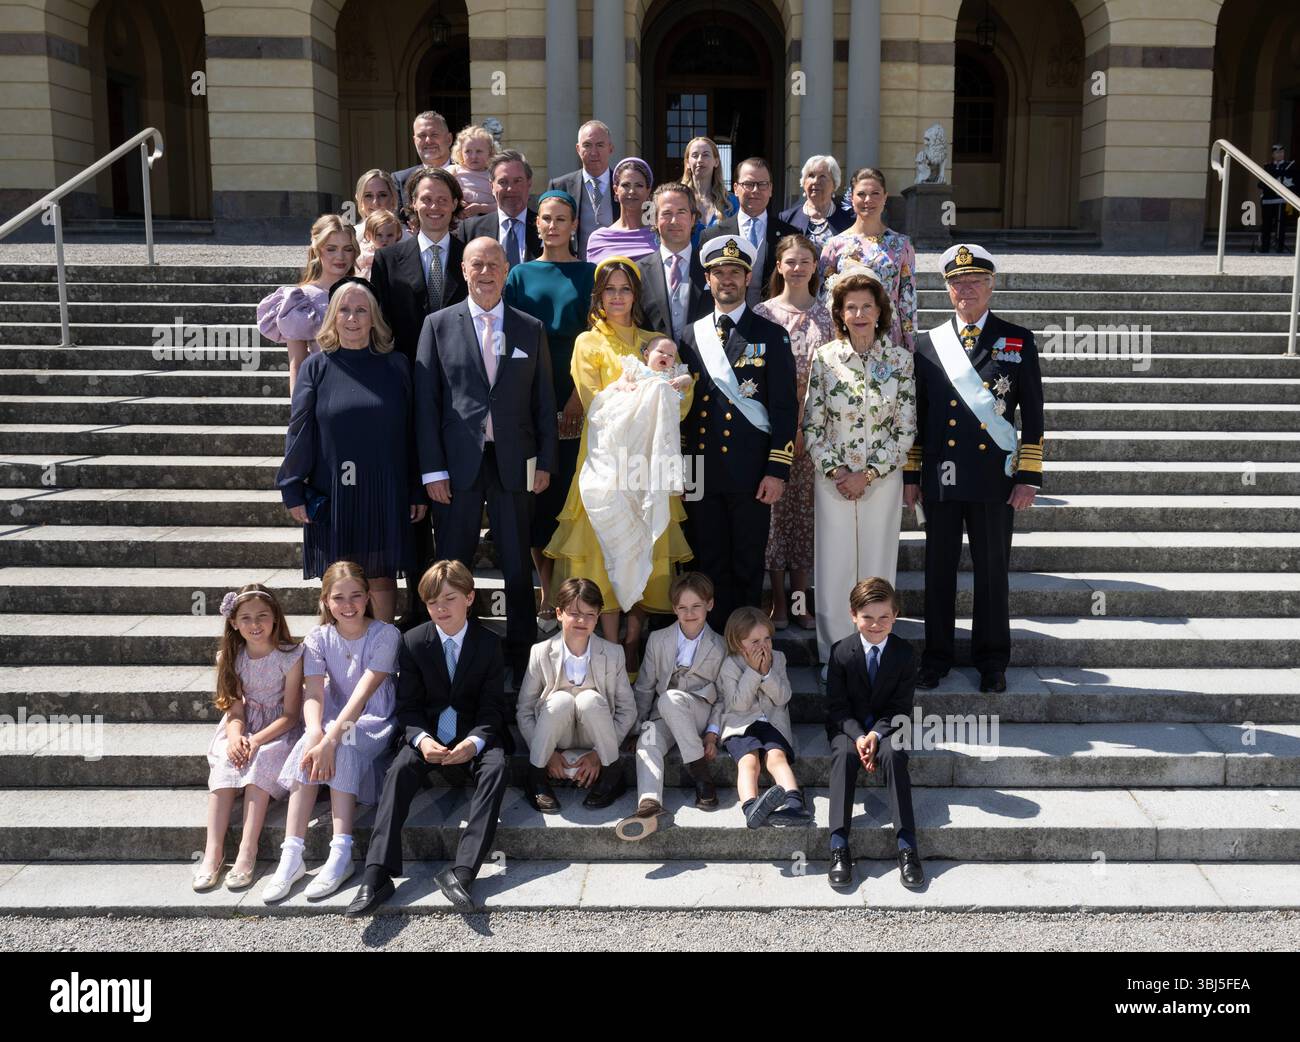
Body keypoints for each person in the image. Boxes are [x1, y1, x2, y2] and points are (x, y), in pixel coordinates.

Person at [416, 236, 558, 684]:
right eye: (476, 264)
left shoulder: (529, 327)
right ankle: (456, 654)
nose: (484, 273)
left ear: (506, 269)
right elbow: (427, 404)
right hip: (456, 466)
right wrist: (432, 469)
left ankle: (520, 658)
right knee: (453, 562)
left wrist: (547, 463)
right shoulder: (437, 325)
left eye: (493, 264)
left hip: (513, 462)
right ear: (463, 270)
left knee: (517, 563)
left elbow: (543, 402)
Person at [903, 243, 1044, 694]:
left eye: (975, 282)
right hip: (941, 478)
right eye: (957, 283)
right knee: (938, 571)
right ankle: (937, 656)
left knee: (991, 571)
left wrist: (1028, 476)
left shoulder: (1017, 339)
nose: (965, 289)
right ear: (946, 289)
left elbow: (1034, 416)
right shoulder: (927, 345)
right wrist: (911, 475)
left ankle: (992, 659)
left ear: (991, 285)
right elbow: (917, 415)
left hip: (993, 479)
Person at [545, 258, 692, 671]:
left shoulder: (656, 340)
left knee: (646, 551)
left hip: (647, 472)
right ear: (598, 297)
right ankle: (610, 650)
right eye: (609, 289)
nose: (617, 297)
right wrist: (651, 387)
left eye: (624, 289)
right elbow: (597, 403)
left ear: (636, 296)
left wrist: (672, 386)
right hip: (606, 469)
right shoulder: (588, 343)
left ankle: (634, 637)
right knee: (604, 555)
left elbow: (681, 401)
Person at [346, 560, 512, 916]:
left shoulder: (488, 644)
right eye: (432, 601)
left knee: (496, 767)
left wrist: (474, 743)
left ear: (469, 598)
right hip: (429, 734)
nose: (440, 608)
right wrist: (421, 740)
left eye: (449, 599)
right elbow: (408, 707)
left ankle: (463, 872)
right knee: (400, 767)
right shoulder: (413, 642)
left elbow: (493, 708)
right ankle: (376, 875)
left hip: (473, 733)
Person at [276, 278, 427, 624]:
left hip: (384, 491)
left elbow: (412, 432)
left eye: (361, 310)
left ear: (374, 317)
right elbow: (300, 430)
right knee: (338, 580)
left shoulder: (397, 366)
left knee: (381, 577)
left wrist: (416, 486)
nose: (352, 318)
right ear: (332, 316)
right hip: (334, 491)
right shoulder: (316, 366)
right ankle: (335, 668)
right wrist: (293, 486)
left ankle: (384, 664)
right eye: (344, 309)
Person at [678, 235, 797, 632]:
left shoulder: (771, 334)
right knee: (705, 561)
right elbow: (682, 412)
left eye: (735, 272)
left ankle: (746, 643)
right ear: (707, 280)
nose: (726, 279)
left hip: (751, 472)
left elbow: (784, 409)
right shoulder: (689, 336)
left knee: (747, 561)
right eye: (718, 273)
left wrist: (777, 471)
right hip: (700, 471)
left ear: (748, 279)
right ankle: (708, 642)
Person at [263, 562, 400, 903]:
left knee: (345, 745)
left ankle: (341, 852)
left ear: (369, 597)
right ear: (326, 601)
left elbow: (364, 692)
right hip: (333, 717)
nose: (348, 604)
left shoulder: (386, 634)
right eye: (339, 597)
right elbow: (313, 692)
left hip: (371, 718)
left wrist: (330, 739)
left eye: (356, 595)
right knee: (307, 747)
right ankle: (291, 854)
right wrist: (313, 735)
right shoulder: (318, 638)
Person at [803, 266, 916, 664]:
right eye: (851, 307)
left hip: (880, 483)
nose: (860, 314)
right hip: (832, 481)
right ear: (840, 314)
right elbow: (812, 424)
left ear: (880, 311)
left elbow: (905, 429)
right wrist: (838, 473)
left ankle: (875, 655)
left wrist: (867, 474)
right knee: (834, 571)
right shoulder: (825, 359)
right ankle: (834, 660)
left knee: (876, 567)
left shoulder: (900, 361)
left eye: (867, 306)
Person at [503, 190, 597, 628]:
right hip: (530, 392)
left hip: (580, 391)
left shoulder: (591, 273)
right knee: (537, 498)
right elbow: (509, 337)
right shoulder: (520, 275)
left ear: (575, 224)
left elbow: (596, 341)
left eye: (562, 218)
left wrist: (579, 394)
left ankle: (573, 586)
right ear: (536, 224)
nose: (554, 225)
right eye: (546, 218)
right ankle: (546, 589)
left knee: (570, 495)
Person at [195, 584, 303, 892]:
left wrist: (255, 741)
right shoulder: (230, 657)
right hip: (241, 724)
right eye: (246, 618)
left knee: (260, 762)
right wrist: (236, 737)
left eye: (262, 616)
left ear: (275, 618)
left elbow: (291, 715)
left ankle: (247, 850)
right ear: (233, 622)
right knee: (227, 763)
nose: (255, 625)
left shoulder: (291, 656)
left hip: (278, 728)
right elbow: (234, 709)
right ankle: (213, 851)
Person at [754, 234, 833, 633]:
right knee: (772, 520)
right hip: (771, 431)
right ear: (779, 267)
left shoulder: (829, 317)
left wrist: (806, 425)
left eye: (805, 261)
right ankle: (778, 604)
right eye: (790, 261)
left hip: (815, 433)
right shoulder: (762, 315)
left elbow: (835, 377)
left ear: (815, 266)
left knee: (803, 521)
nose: (798, 268)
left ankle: (801, 604)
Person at [824, 577, 923, 890]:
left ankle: (907, 847)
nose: (876, 625)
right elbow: (836, 709)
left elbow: (900, 708)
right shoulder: (841, 652)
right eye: (867, 617)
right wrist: (858, 736)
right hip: (848, 727)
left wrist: (876, 736)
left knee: (894, 755)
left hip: (888, 727)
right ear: (854, 615)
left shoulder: (905, 654)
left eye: (884, 617)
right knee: (843, 755)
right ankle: (838, 844)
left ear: (895, 616)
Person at [617, 572, 726, 841]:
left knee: (669, 698)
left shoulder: (721, 645)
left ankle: (701, 774)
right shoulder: (658, 639)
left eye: (696, 606)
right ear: (674, 608)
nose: (689, 613)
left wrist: (712, 734)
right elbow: (643, 687)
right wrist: (636, 728)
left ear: (709, 605)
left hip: (699, 712)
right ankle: (649, 805)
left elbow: (724, 696)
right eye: (682, 608)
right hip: (662, 714)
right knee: (648, 741)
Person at [516, 577, 636, 812]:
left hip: (597, 736)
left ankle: (612, 775)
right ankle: (536, 778)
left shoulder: (613, 654)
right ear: (559, 613)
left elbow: (627, 710)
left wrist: (599, 754)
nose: (582, 620)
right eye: (574, 613)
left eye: (590, 614)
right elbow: (525, 710)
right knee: (560, 700)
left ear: (598, 616)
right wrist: (546, 753)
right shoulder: (540, 652)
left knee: (589, 699)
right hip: (555, 736)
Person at [717, 606, 810, 828]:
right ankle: (751, 807)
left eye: (767, 638)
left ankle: (794, 803)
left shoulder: (778, 659)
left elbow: (783, 697)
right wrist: (753, 671)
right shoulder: (730, 665)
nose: (763, 646)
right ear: (739, 643)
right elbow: (738, 704)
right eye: (755, 641)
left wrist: (767, 673)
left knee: (776, 757)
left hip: (772, 721)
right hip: (742, 723)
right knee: (749, 762)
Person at [369, 166, 468, 363]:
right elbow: (380, 323)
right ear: (413, 202)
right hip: (405, 371)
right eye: (426, 199)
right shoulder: (386, 261)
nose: (434, 207)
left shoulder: (471, 258)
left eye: (442, 200)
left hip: (461, 371)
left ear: (454, 203)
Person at [818, 167, 917, 352]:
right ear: (851, 197)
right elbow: (825, 303)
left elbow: (908, 302)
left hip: (889, 341)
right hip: (845, 340)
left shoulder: (902, 245)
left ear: (885, 197)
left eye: (875, 193)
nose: (868, 200)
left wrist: (911, 349)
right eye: (861, 194)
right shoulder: (834, 246)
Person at [256, 213, 357, 391]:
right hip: (324, 394)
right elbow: (298, 365)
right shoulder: (300, 300)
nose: (340, 256)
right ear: (317, 250)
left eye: (347, 249)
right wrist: (299, 413)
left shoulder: (365, 292)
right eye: (331, 248)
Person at [701, 156, 796, 305]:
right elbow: (705, 289)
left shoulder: (790, 235)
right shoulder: (712, 236)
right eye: (748, 184)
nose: (755, 190)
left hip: (775, 321)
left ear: (770, 189)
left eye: (762, 184)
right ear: (735, 188)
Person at [638, 181, 712, 341]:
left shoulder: (710, 268)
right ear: (655, 220)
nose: (674, 221)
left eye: (681, 212)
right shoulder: (638, 271)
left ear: (693, 219)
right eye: (666, 213)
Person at [548, 119, 617, 260]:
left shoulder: (624, 186)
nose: (593, 152)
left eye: (600, 145)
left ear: (610, 148)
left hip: (615, 273)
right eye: (587, 145)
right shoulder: (560, 186)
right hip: (575, 271)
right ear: (578, 149)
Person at [458, 150, 542, 264]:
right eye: (503, 182)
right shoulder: (471, 230)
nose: (511, 189)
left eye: (518, 181)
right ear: (491, 186)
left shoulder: (547, 228)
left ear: (529, 183)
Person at [584, 157, 658, 266]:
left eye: (639, 185)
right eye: (625, 185)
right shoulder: (598, 239)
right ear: (615, 190)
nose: (632, 191)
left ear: (648, 191)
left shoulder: (659, 236)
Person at [779, 155, 854, 253]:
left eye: (822, 176)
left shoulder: (849, 218)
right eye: (810, 176)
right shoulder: (787, 218)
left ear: (834, 184)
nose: (815, 181)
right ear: (803, 182)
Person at [681, 135, 737, 245]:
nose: (700, 160)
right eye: (695, 155)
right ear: (687, 163)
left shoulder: (731, 202)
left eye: (705, 155)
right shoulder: (678, 200)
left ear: (716, 162)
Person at [393, 110, 454, 203]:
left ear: (449, 139)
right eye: (422, 135)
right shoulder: (401, 181)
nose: (428, 140)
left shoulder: (470, 174)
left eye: (434, 135)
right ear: (414, 141)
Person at [448, 124, 497, 218]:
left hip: (485, 223)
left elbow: (502, 206)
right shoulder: (453, 171)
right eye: (468, 151)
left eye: (479, 151)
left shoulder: (494, 175)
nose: (473, 156)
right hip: (457, 224)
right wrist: (457, 204)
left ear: (490, 153)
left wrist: (480, 208)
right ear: (460, 152)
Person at [351, 169, 409, 242]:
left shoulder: (409, 241)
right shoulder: (350, 238)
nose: (375, 202)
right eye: (368, 196)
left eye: (382, 195)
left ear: (393, 199)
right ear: (360, 201)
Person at [1258, 143, 1297, 254]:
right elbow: (1261, 183)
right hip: (1268, 200)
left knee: (1281, 225)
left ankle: (1279, 247)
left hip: (1282, 200)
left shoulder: (1290, 166)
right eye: (1277, 152)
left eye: (1281, 152)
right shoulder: (1268, 167)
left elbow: (1295, 181)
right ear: (1272, 154)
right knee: (1267, 225)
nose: (1279, 154)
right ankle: (1265, 247)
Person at [354, 208, 403, 280]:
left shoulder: (400, 253)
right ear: (369, 235)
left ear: (397, 235)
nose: (385, 240)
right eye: (379, 235)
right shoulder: (365, 254)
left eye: (390, 235)